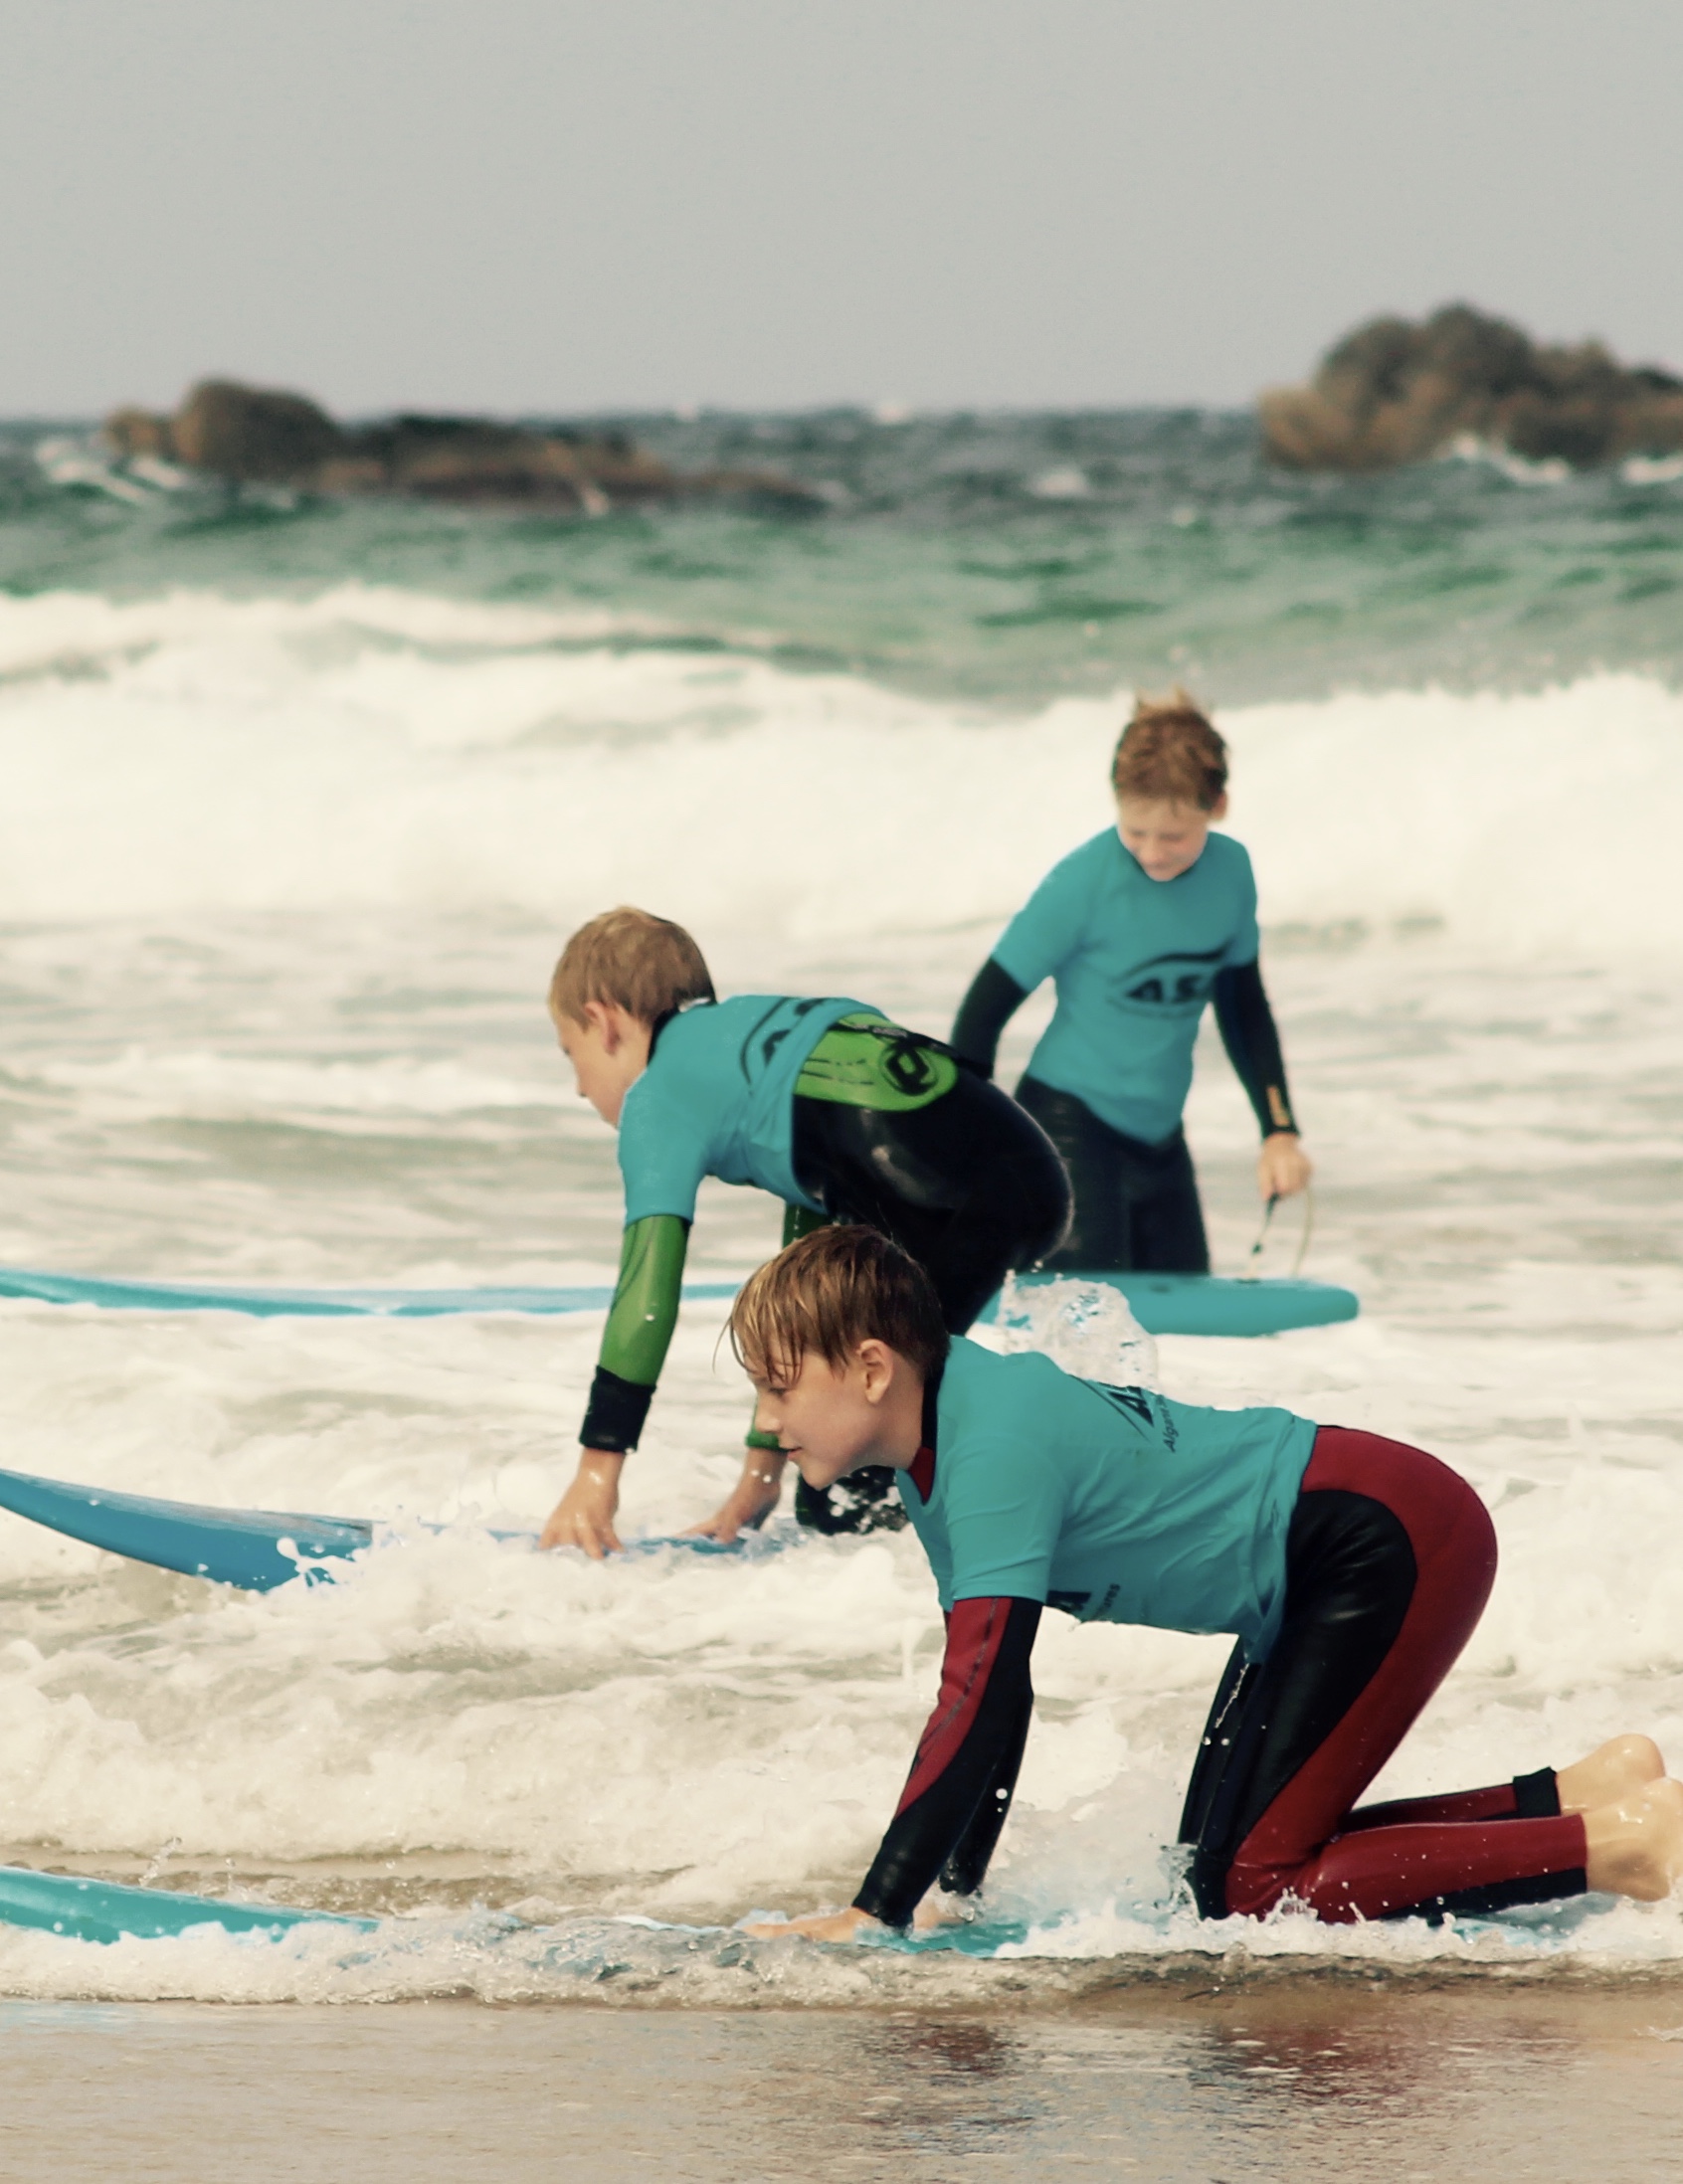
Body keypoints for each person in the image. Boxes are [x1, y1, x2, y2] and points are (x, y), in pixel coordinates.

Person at [726, 1225, 1678, 1939]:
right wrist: (954, 1897)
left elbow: (972, 1698)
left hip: (1377, 1539)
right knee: (1213, 1881)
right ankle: (1574, 1797)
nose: (767, 1422)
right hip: (1320, 1561)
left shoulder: (988, 1452)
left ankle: (1619, 1846)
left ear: (871, 1369)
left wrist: (874, 1913)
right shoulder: (936, 1455)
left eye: (779, 1387)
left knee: (1253, 1892)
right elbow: (997, 1698)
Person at [543, 908, 1067, 1555]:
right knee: (881, 1427)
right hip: (1026, 1175)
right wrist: (760, 1477)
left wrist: (598, 1474)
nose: (577, 1087)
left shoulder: (659, 1095)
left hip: (943, 1194)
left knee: (844, 1493)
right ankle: (1033, 1490)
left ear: (606, 1023)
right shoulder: (764, 1047)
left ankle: (1003, 1540)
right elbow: (805, 1300)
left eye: (573, 1055)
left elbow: (646, 1301)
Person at [951, 693, 1308, 1272]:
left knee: (1184, 1327)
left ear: (1217, 806)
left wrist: (1279, 1130)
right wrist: (972, 1142)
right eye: (1135, 830)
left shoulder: (1232, 874)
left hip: (1161, 1139)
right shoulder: (1083, 882)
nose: (1151, 852)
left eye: (1173, 837)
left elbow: (1244, 1007)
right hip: (1067, 1127)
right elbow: (984, 1009)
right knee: (1084, 1323)